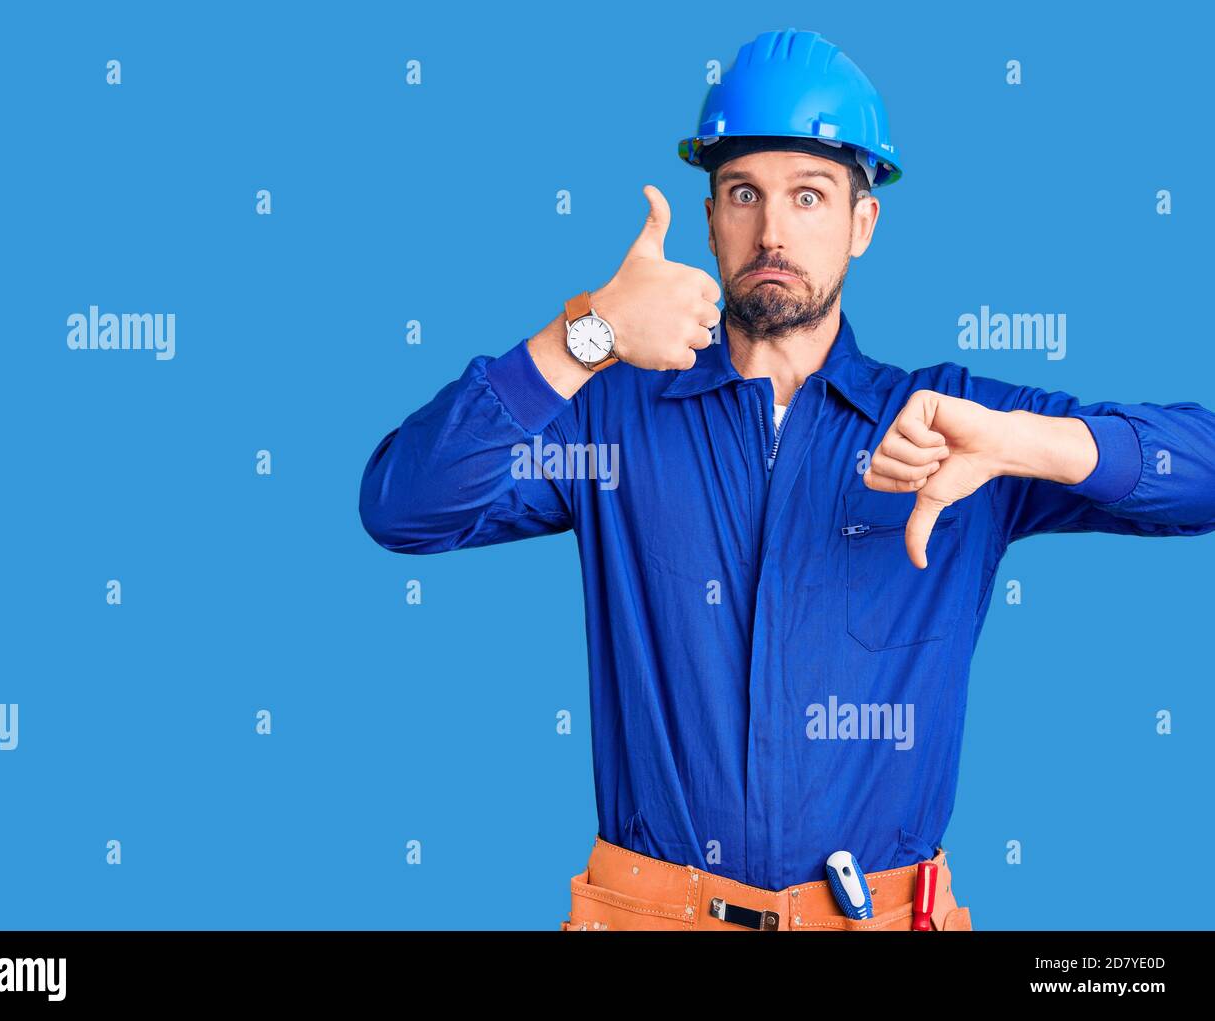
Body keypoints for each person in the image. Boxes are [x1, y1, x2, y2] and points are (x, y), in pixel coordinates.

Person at [359, 28, 1215, 930]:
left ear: (862, 222)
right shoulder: (608, 416)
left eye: (810, 196)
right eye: (744, 194)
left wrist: (1031, 443)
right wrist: (587, 336)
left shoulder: (960, 426)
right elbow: (401, 505)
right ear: (710, 217)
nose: (773, 231)